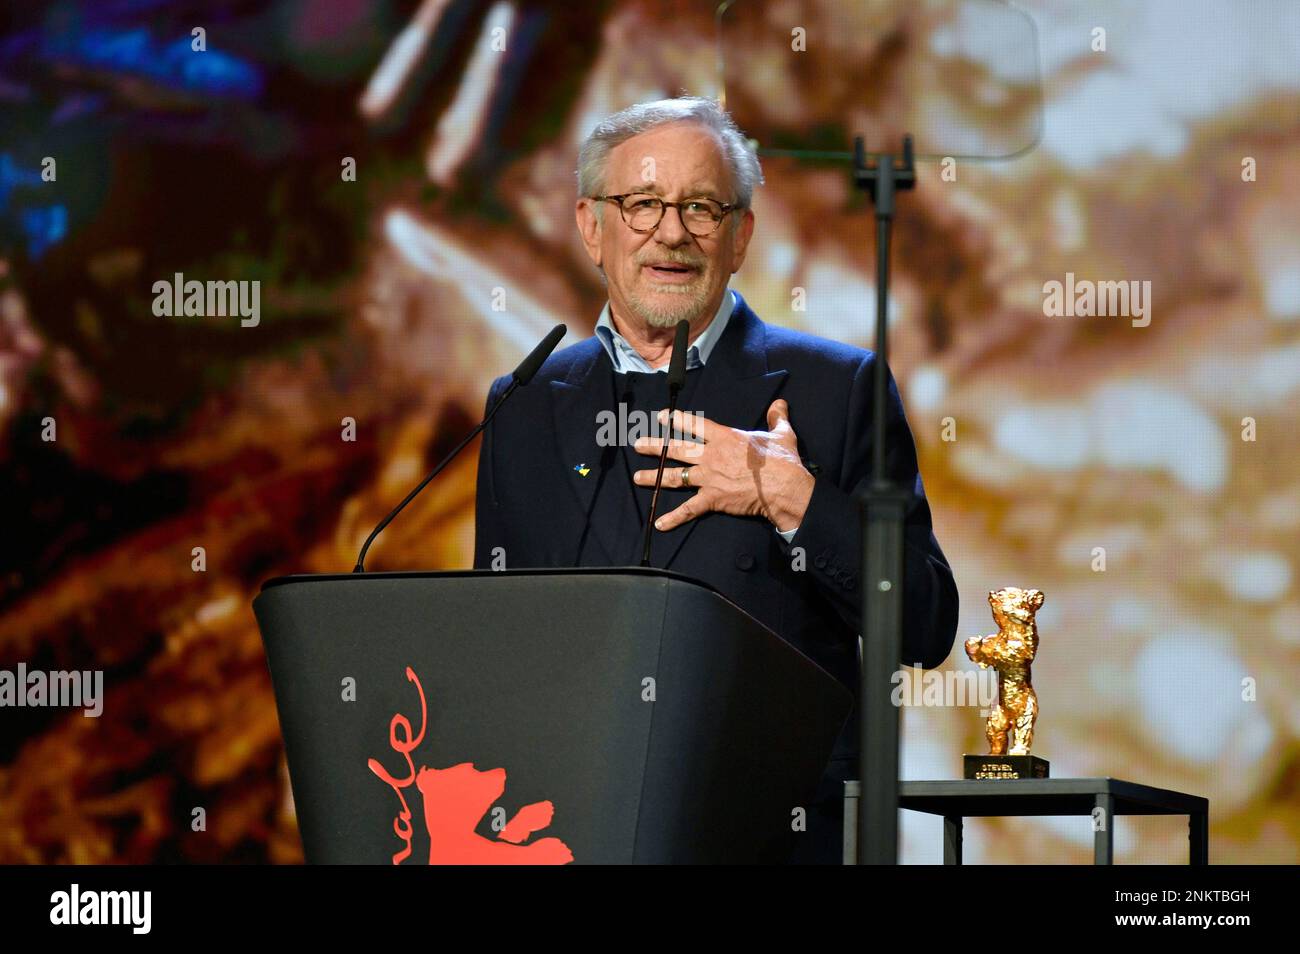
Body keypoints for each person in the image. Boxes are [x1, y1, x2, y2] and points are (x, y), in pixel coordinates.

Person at [473, 95, 959, 863]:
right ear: (591, 226)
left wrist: (787, 496)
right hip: (568, 831)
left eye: (701, 207)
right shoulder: (524, 405)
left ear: (740, 237)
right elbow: (490, 642)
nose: (672, 232)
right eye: (641, 205)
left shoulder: (838, 389)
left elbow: (927, 623)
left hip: (773, 838)